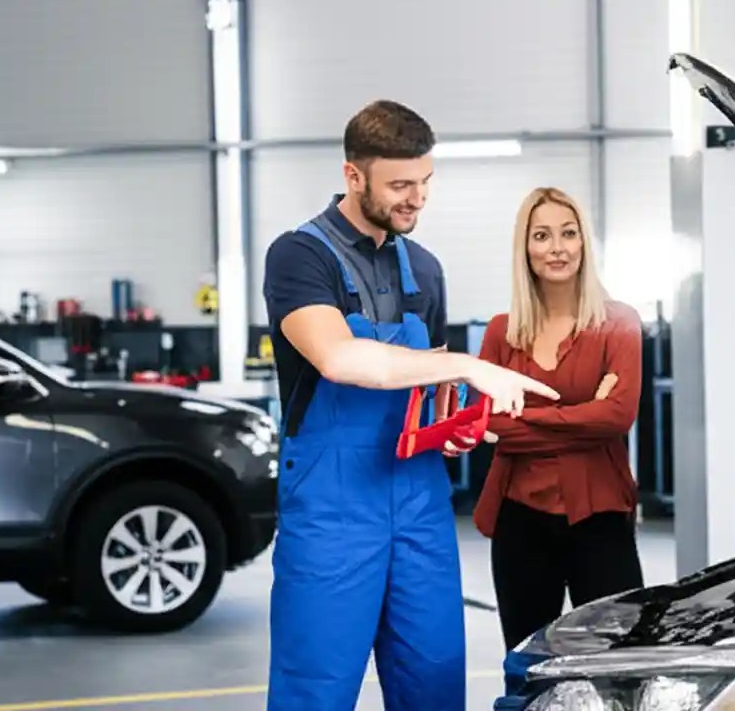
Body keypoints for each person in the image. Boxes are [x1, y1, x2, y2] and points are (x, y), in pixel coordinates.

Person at [260, 100, 558, 711]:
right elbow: (340, 359)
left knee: (434, 681)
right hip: (333, 507)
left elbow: (430, 387)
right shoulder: (298, 257)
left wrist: (452, 428)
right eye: (400, 185)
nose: (416, 199)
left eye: (425, 182)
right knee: (315, 686)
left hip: (419, 503)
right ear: (353, 175)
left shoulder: (424, 268)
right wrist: (470, 365)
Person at [461, 186, 646, 651]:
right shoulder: (502, 332)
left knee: (618, 662)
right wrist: (584, 416)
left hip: (600, 515)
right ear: (525, 247)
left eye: (569, 233)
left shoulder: (619, 322)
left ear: (584, 242)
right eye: (542, 235)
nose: (557, 247)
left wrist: (525, 418)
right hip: (520, 519)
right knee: (528, 660)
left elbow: (618, 417)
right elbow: (487, 423)